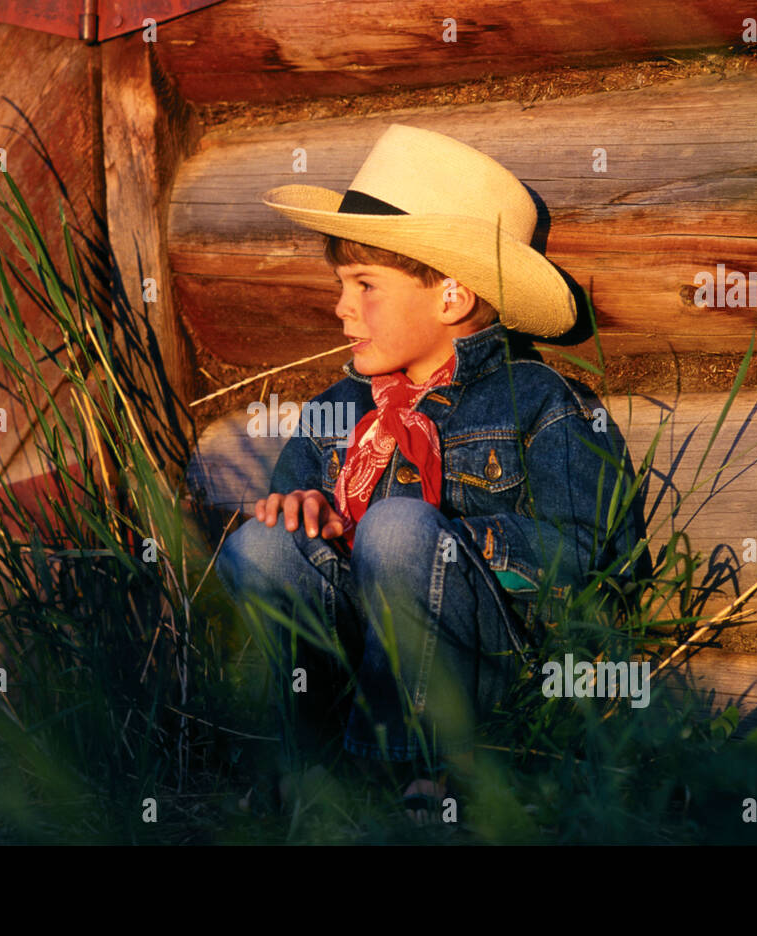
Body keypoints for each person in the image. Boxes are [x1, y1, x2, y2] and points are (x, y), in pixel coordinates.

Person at [215, 124, 644, 822]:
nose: (340, 307)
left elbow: (592, 561)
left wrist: (449, 543)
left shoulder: (535, 401)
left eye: (364, 285)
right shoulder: (333, 413)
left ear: (452, 298)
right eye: (339, 284)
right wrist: (310, 518)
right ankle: (302, 766)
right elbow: (289, 534)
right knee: (257, 545)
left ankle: (426, 769)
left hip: (484, 667)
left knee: (398, 526)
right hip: (361, 664)